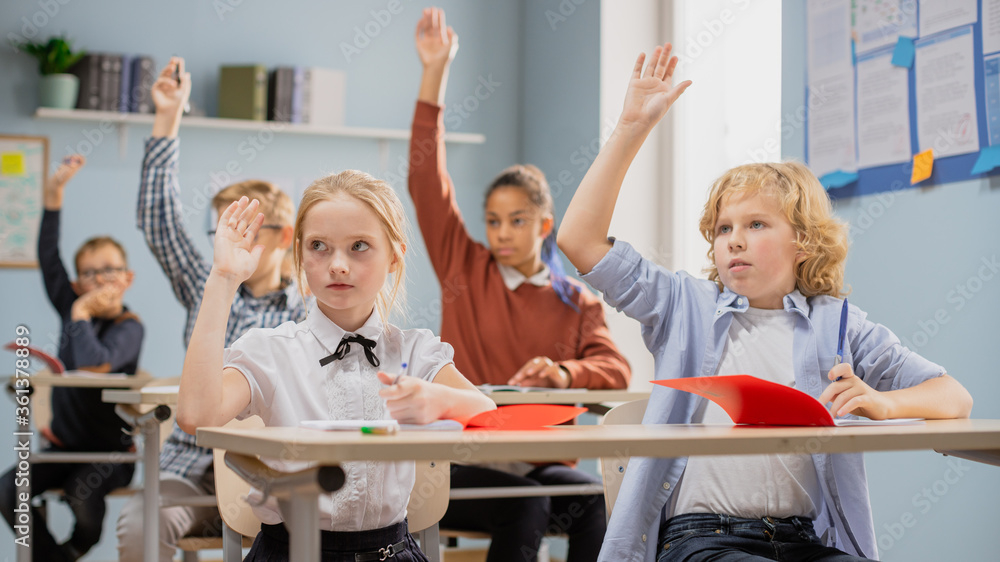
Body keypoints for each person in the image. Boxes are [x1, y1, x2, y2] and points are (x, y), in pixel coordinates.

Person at [557, 43, 974, 562]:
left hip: (803, 541)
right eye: (723, 228)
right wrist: (630, 127)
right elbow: (580, 240)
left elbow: (954, 398)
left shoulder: (837, 325)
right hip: (701, 539)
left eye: (756, 225)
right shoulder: (683, 305)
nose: (734, 239)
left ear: (803, 241)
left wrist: (884, 403)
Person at [177, 171, 497, 561]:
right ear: (300, 255)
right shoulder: (269, 350)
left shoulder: (417, 350)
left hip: (392, 551)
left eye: (359, 245)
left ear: (395, 255)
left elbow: (487, 414)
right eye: (319, 247)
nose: (338, 265)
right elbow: (196, 415)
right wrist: (223, 279)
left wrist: (438, 400)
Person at [408, 8, 630, 561]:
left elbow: (615, 372)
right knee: (526, 505)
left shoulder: (576, 302)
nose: (502, 233)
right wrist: (434, 73)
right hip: (462, 460)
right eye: (493, 220)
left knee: (600, 502)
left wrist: (562, 371)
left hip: (537, 458)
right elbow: (424, 181)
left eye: (517, 220)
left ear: (545, 226)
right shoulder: (464, 266)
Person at [116, 57, 306, 561]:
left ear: (283, 237)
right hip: (188, 469)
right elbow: (160, 224)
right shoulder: (207, 283)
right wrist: (168, 117)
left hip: (270, 475)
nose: (233, 241)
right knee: (138, 528)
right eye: (224, 230)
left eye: (247, 228)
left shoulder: (310, 313)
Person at [0, 155, 143, 561]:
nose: (101, 281)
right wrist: (54, 196)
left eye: (110, 270)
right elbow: (49, 257)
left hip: (109, 456)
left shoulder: (130, 327)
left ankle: (78, 547)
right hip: (62, 449)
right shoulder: (71, 305)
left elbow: (97, 364)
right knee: (8, 489)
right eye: (90, 274)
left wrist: (80, 315)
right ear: (78, 283)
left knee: (83, 496)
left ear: (127, 278)